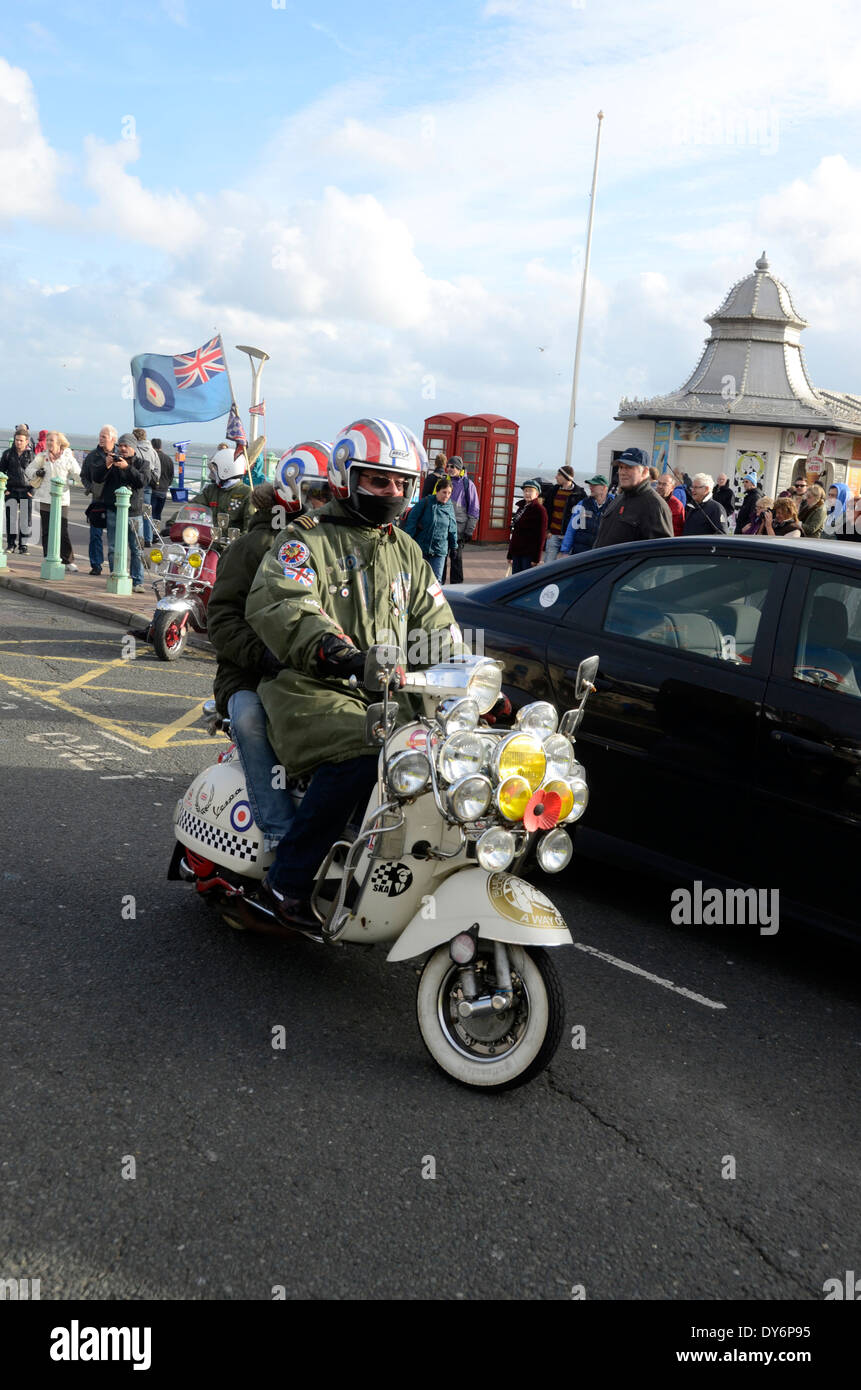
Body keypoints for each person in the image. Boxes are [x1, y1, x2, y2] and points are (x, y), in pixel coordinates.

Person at [244, 416, 462, 931]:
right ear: (347, 476)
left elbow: (436, 626)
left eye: (402, 483)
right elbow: (286, 603)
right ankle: (289, 880)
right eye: (378, 479)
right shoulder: (306, 539)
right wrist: (335, 652)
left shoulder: (407, 550)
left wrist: (467, 673)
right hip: (313, 686)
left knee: (449, 758)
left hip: (392, 691)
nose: (392, 491)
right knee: (366, 755)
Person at [207, 463, 327, 855]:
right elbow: (220, 620)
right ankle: (279, 832)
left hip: (311, 669)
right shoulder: (251, 546)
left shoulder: (328, 545)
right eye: (315, 494)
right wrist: (265, 657)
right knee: (251, 718)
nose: (322, 502)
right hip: (248, 674)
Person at [90, 433, 148, 590]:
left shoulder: (142, 464)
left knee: (136, 548)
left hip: (134, 512)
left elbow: (141, 481)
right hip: (113, 510)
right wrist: (106, 465)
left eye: (126, 446)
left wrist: (127, 468)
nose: (122, 449)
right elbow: (97, 477)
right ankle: (115, 575)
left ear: (133, 447)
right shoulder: (112, 463)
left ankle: (138, 581)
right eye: (120, 445)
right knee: (113, 547)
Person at [593, 447, 673, 548]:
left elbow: (660, 554)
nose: (622, 472)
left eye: (629, 467)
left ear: (644, 472)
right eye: (621, 467)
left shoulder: (655, 506)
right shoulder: (619, 499)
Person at [26, 430, 82, 569]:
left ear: (59, 443)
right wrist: (36, 472)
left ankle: (67, 560)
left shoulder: (68, 457)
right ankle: (48, 557)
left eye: (52, 440)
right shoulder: (42, 456)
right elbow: (28, 470)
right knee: (46, 530)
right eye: (47, 440)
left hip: (61, 498)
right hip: (45, 497)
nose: (49, 442)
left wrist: (85, 483)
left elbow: (77, 474)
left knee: (62, 530)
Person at [402, 476, 458, 581]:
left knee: (436, 580)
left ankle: (434, 598)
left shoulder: (449, 506)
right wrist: (408, 541)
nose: (446, 496)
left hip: (440, 550)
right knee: (419, 579)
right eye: (444, 492)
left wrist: (454, 546)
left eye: (449, 493)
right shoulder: (426, 502)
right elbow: (412, 521)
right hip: (422, 548)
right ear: (437, 491)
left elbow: (452, 527)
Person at [189, 446, 255, 532]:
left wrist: (241, 542)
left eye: (215, 469)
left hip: (233, 542)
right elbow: (193, 506)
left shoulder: (246, 493)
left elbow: (250, 524)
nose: (211, 474)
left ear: (226, 470)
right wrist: (172, 523)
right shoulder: (211, 490)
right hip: (210, 539)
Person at [81, 425, 117, 575]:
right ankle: (96, 564)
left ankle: (115, 568)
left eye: (104, 437)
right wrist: (91, 488)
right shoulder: (93, 456)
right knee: (95, 534)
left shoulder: (119, 454)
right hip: (97, 501)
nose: (101, 439)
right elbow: (84, 475)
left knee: (114, 536)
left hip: (114, 502)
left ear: (113, 439)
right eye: (100, 436)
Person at [443, 456, 480, 582]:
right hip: (442, 527)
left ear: (459, 468)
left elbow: (474, 509)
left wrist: (469, 530)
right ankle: (439, 586)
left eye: (452, 466)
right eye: (448, 466)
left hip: (458, 529)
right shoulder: (443, 482)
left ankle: (456, 588)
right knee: (440, 560)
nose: (449, 468)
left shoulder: (468, 484)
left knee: (456, 561)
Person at [1, 426, 35, 553]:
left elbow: (37, 475)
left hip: (26, 491)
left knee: (26, 519)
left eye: (21, 440)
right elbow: (1, 472)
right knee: (11, 518)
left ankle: (23, 545)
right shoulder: (7, 454)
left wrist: (32, 491)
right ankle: (11, 544)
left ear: (27, 441)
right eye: (16, 440)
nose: (18, 442)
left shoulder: (32, 455)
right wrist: (5, 490)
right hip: (11, 490)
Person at [542, 465, 584, 564]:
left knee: (566, 566)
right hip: (552, 535)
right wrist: (547, 530)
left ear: (567, 477)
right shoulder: (553, 490)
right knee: (548, 565)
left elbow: (582, 517)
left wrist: (576, 535)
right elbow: (546, 511)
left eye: (559, 475)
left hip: (569, 536)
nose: (556, 477)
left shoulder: (579, 494)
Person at [560, 475, 612, 555]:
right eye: (590, 485)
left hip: (601, 555)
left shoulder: (614, 505)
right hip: (580, 554)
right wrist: (565, 550)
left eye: (594, 485)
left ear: (604, 488)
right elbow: (571, 528)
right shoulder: (582, 504)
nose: (590, 487)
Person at [507, 479, 547, 572]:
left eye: (530, 491)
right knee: (515, 580)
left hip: (529, 554)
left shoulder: (540, 510)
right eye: (525, 491)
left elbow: (541, 536)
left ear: (537, 494)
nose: (527, 493)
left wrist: (536, 558)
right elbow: (515, 533)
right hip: (516, 552)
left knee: (526, 580)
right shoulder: (521, 508)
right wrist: (510, 554)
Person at [149, 438, 174, 525]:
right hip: (163, 490)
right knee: (158, 514)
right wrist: (167, 485)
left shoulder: (152, 457)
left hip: (153, 489)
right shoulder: (168, 459)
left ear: (152, 446)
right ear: (161, 446)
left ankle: (151, 534)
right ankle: (156, 532)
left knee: (150, 513)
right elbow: (171, 475)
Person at [655, 470, 685, 536]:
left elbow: (676, 531)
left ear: (672, 487)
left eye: (664, 484)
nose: (660, 486)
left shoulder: (677, 505)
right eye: (659, 483)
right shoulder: (651, 499)